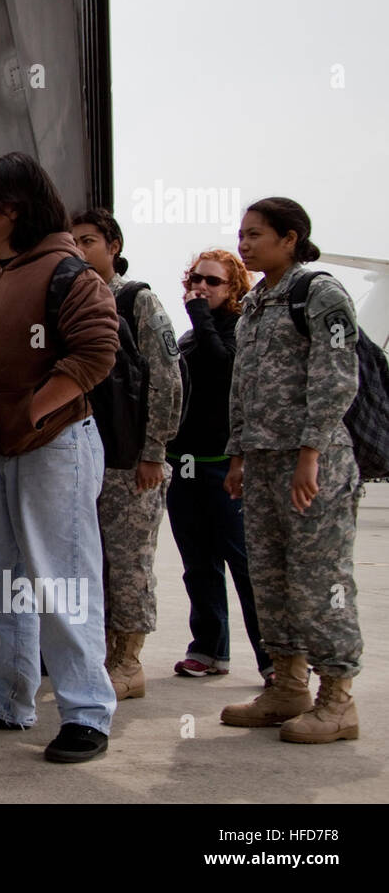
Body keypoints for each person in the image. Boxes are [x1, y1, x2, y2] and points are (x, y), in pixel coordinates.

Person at [0, 151, 119, 764]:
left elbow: (97, 352)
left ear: (11, 208)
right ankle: (7, 698)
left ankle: (86, 712)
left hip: (54, 448)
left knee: (62, 578)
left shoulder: (68, 271)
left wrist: (32, 411)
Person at [221, 197, 362, 743]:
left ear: (290, 238)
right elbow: (243, 389)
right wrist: (238, 456)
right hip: (260, 463)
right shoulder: (255, 304)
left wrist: (311, 453)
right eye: (241, 234)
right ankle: (287, 686)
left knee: (319, 580)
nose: (244, 244)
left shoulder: (319, 293)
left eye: (255, 234)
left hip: (312, 463)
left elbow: (335, 376)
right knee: (271, 578)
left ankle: (338, 700)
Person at [70, 209, 182, 700]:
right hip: (84, 458)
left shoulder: (137, 300)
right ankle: (96, 654)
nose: (80, 250)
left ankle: (128, 660)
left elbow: (167, 378)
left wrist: (153, 450)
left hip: (129, 461)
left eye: (89, 241)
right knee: (89, 565)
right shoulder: (73, 299)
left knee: (128, 563)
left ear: (113, 245)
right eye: (72, 242)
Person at [165, 250, 271, 683]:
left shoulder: (237, 330)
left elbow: (222, 365)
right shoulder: (189, 337)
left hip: (224, 465)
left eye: (212, 281)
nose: (201, 287)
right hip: (185, 465)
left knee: (244, 565)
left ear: (233, 289)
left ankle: (272, 660)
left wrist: (199, 315)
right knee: (198, 563)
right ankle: (208, 648)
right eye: (195, 278)